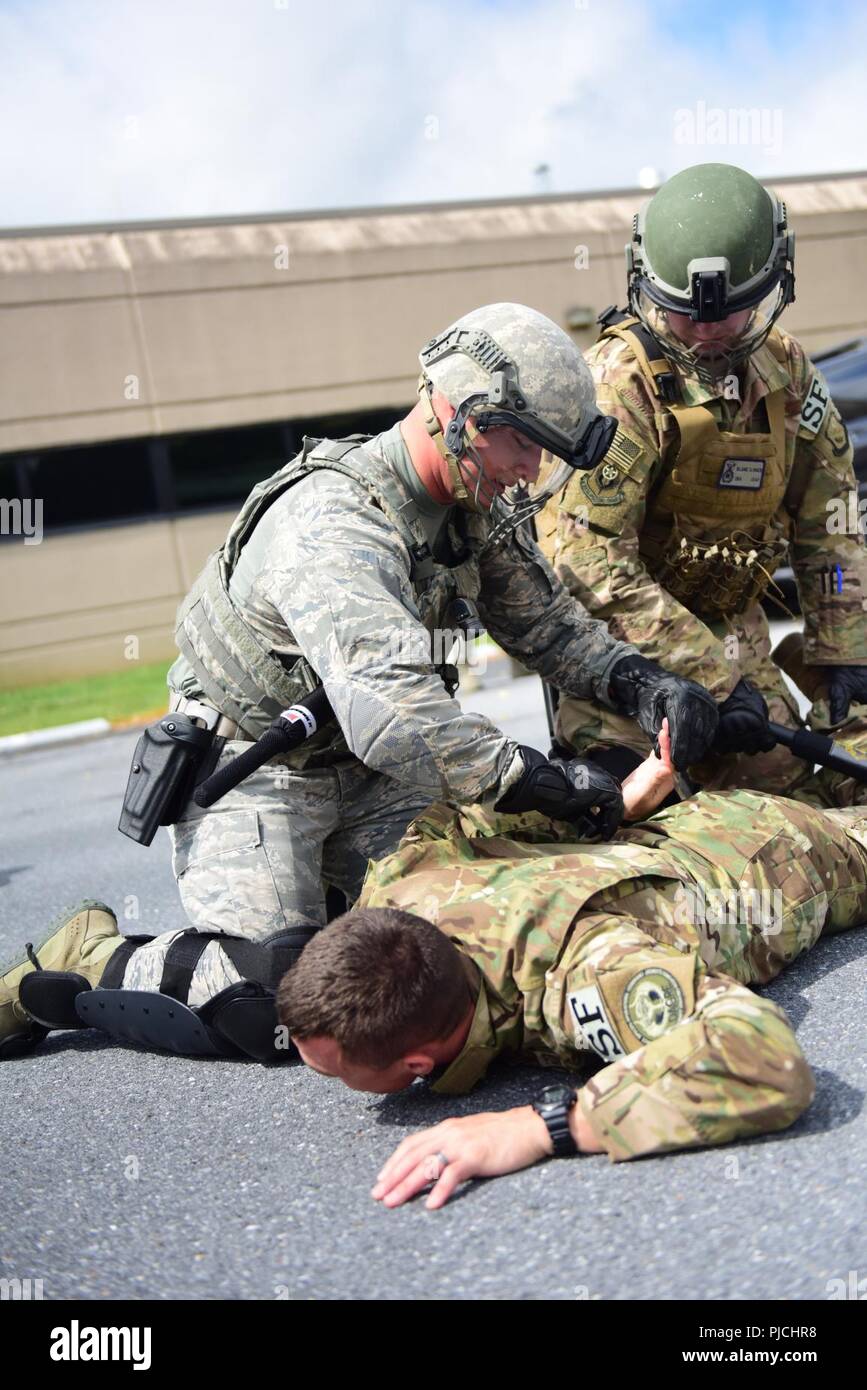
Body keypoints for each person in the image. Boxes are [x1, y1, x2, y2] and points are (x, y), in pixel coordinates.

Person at [1, 302, 719, 1062]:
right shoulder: (333, 520)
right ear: (459, 416)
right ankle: (83, 954)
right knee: (277, 1000)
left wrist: (640, 682)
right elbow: (395, 713)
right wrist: (532, 779)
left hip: (375, 774)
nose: (530, 472)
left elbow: (544, 626)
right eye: (522, 445)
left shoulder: (469, 506)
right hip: (259, 768)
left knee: (432, 951)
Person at [277, 696, 867, 1210]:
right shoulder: (399, 888)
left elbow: (762, 1058)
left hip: (790, 855)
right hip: (681, 823)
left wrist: (544, 1127)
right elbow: (473, 814)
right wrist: (622, 804)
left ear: (417, 1068)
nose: (319, 1075)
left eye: (334, 1070)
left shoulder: (581, 975)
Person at [538, 162, 867, 793]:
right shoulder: (618, 388)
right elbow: (590, 567)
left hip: (742, 652)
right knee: (634, 834)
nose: (708, 332)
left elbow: (833, 526)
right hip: (628, 671)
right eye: (686, 315)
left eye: (731, 313)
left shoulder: (789, 376)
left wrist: (843, 650)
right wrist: (714, 683)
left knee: (796, 825)